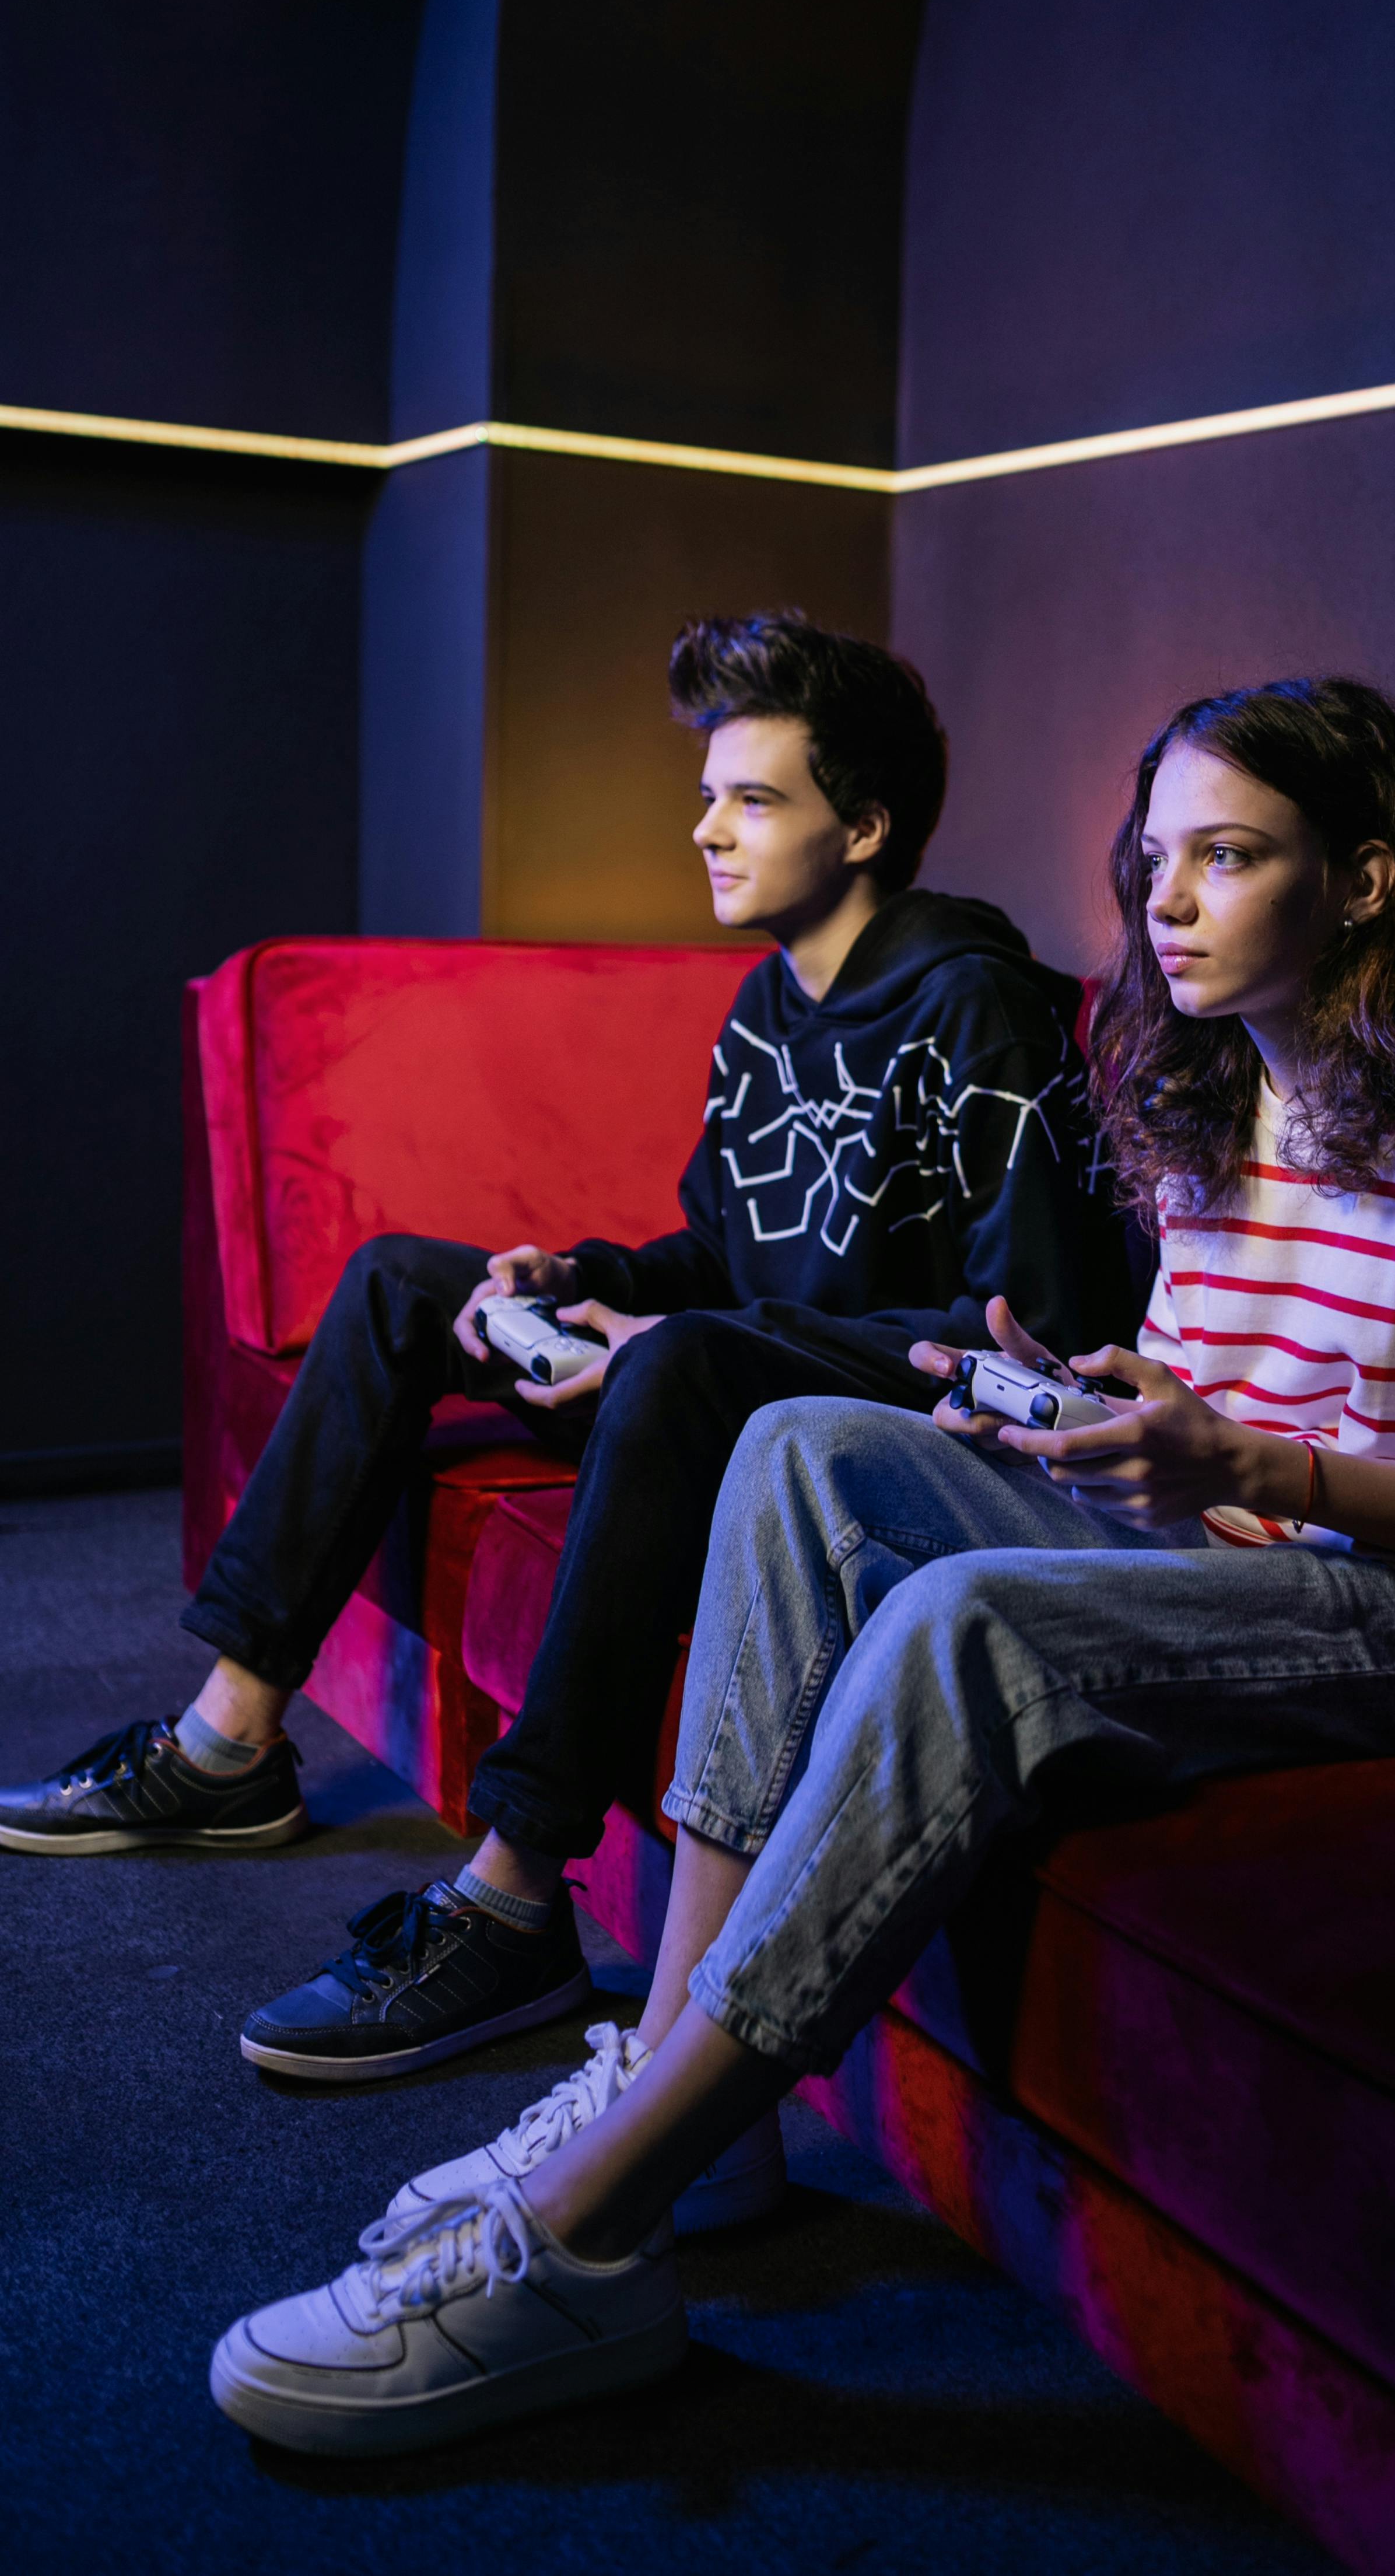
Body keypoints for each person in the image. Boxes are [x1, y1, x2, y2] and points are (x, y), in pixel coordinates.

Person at [209, 674, 1395, 2452]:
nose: (1169, 903)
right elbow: (1194, 1396)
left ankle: (591, 2225)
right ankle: (692, 2091)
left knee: (963, 1617)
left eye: (1229, 856)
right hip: (1236, 1531)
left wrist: (1237, 1455)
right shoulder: (1209, 1097)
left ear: (1362, 879)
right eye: (1153, 861)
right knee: (802, 1448)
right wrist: (1085, 1407)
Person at [2, 615, 1132, 2176]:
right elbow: (723, 1250)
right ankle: (229, 1739)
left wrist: (678, 1339)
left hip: (850, 1434)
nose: (704, 826)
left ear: (862, 828)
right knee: (410, 1275)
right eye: (709, 791)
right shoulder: (768, 1005)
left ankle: (514, 1892)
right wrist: (589, 1281)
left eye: (751, 798)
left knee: (672, 1360)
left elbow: (1035, 1326)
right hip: (709, 1369)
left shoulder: (974, 1003)